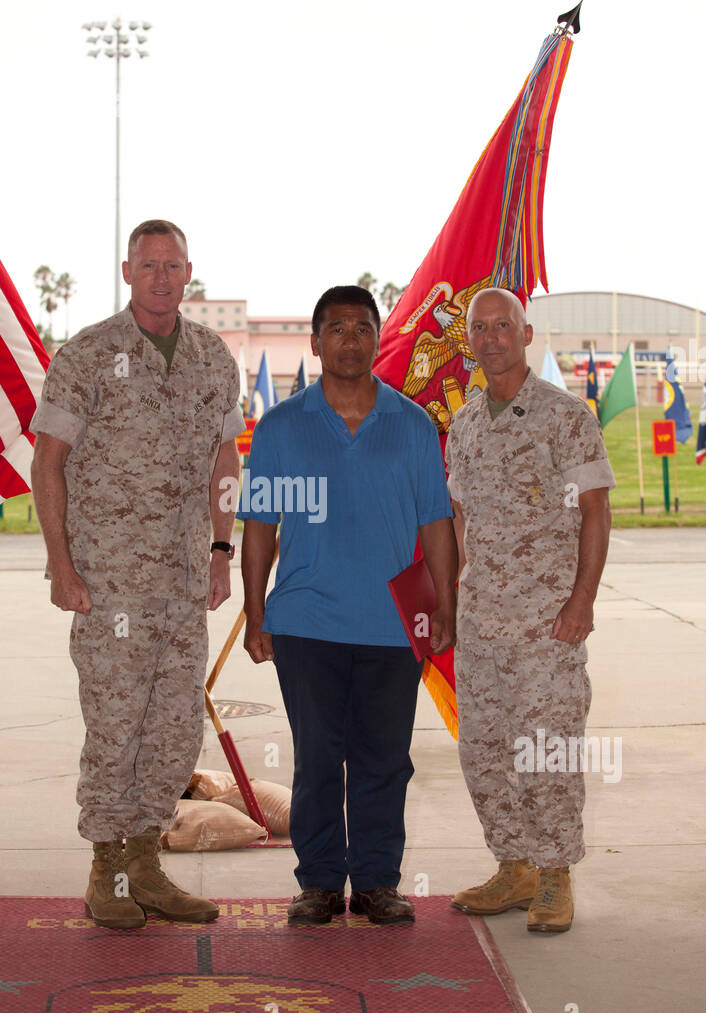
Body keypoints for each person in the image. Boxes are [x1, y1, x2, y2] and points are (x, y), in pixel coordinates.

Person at [30, 219, 243, 929]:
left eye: (172, 265)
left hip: (184, 582)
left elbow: (224, 459)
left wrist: (221, 550)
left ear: (190, 274)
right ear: (128, 272)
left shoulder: (213, 358)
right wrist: (61, 567)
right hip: (109, 581)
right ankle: (106, 869)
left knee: (176, 727)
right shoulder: (88, 354)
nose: (160, 277)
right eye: (148, 265)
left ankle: (147, 864)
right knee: (115, 724)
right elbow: (49, 464)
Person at [240, 286, 457, 926]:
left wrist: (444, 605)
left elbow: (437, 524)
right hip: (306, 624)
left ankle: (376, 882)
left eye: (362, 328)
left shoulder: (413, 425)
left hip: (393, 625)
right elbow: (259, 526)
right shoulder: (281, 427)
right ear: (315, 343)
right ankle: (318, 883)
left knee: (384, 761)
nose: (350, 341)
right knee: (317, 760)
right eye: (336, 329)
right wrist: (257, 613)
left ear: (376, 339)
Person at [446, 286, 615, 933]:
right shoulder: (464, 423)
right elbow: (461, 513)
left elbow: (596, 510)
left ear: (526, 333)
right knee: (483, 751)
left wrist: (582, 600)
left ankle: (554, 876)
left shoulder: (565, 416)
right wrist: (460, 591)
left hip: (546, 624)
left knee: (545, 750)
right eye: (479, 329)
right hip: (482, 624)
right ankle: (512, 866)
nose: (490, 339)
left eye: (502, 326)